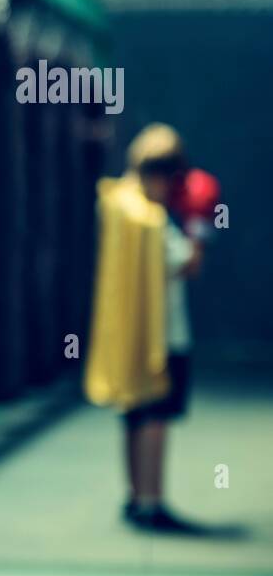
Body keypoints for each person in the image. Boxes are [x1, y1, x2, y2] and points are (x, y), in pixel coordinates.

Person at [84, 123, 216, 534]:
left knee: (132, 413)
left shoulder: (116, 203)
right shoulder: (154, 221)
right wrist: (199, 226)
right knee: (156, 416)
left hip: (125, 335)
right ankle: (152, 501)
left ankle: (133, 496)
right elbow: (190, 266)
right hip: (163, 334)